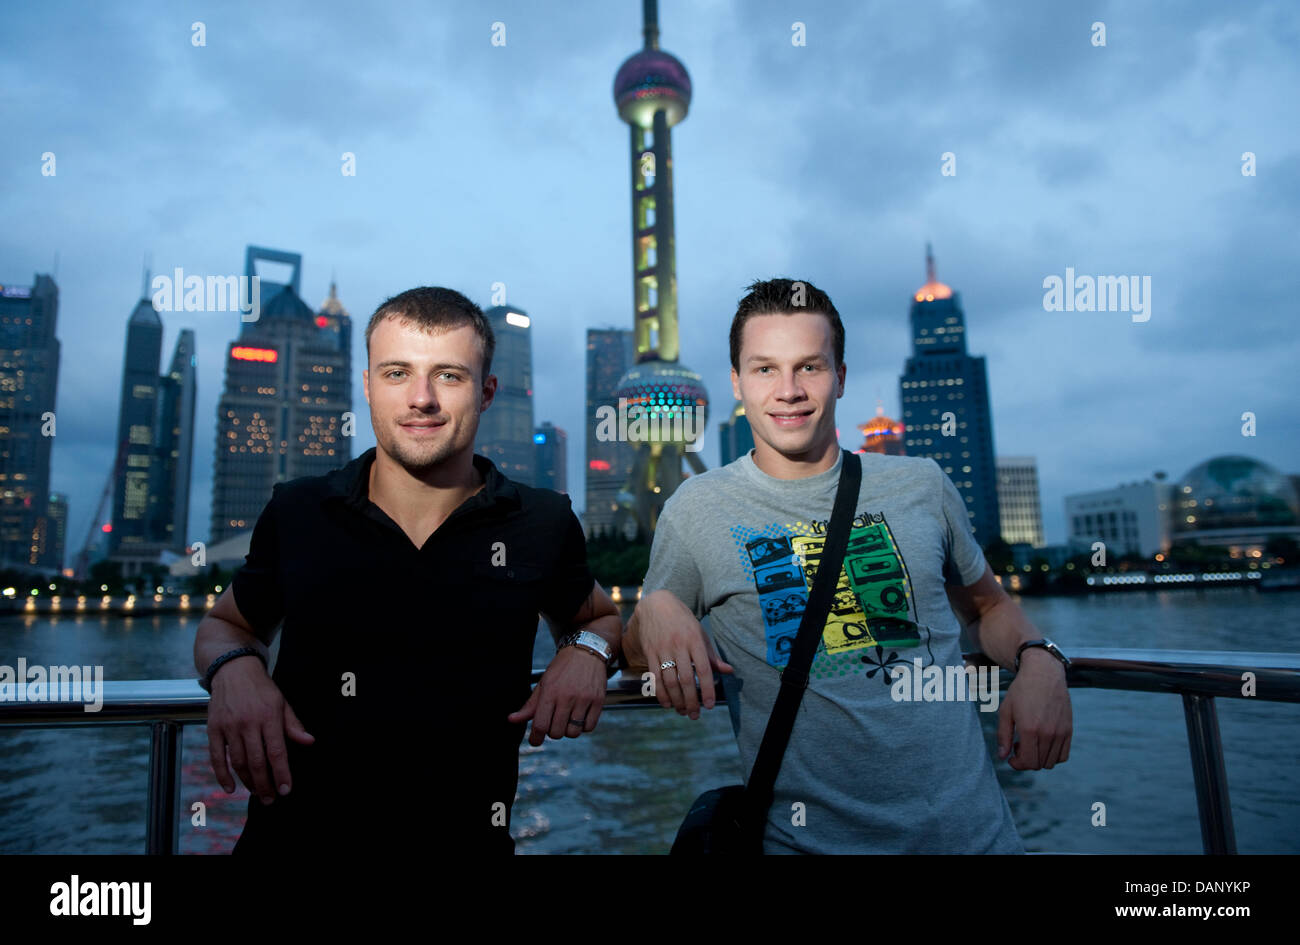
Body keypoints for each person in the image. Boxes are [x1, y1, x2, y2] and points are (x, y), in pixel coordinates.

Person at [624, 277, 1072, 854]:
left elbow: (987, 607)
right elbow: (640, 656)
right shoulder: (697, 510)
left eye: (809, 366)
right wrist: (654, 606)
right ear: (737, 383)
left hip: (976, 840)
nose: (789, 390)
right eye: (765, 369)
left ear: (840, 376)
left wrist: (1040, 661)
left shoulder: (922, 484)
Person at [194, 286, 621, 855]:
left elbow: (601, 617)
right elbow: (226, 625)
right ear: (368, 386)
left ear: (487, 391)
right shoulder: (299, 510)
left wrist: (586, 652)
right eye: (397, 373)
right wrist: (235, 671)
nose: (421, 399)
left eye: (449, 375)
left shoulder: (540, 520)